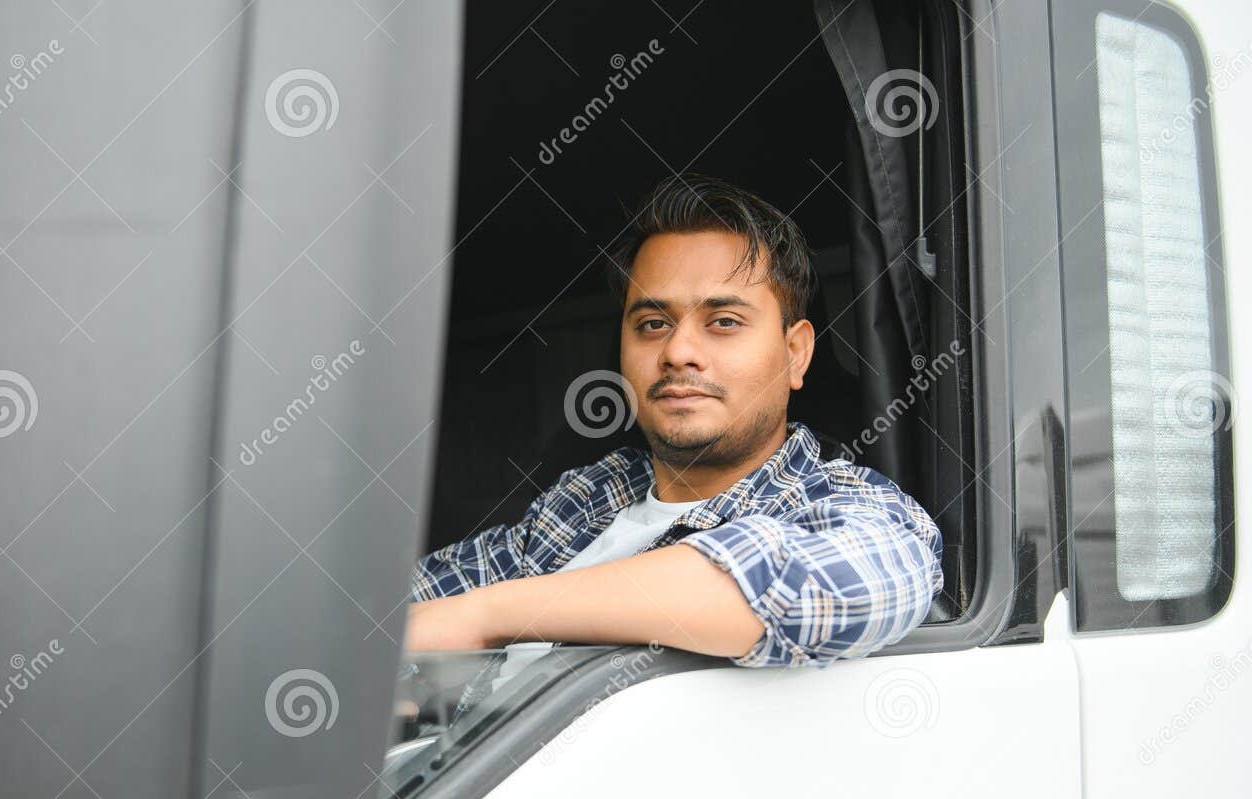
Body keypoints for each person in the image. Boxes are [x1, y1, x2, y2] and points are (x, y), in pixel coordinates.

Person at [404, 173, 942, 667]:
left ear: (796, 353)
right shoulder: (589, 497)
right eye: (653, 323)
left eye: (724, 322)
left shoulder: (851, 508)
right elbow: (411, 598)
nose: (679, 350)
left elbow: (802, 586)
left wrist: (484, 618)